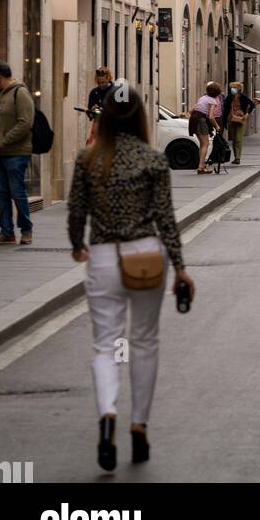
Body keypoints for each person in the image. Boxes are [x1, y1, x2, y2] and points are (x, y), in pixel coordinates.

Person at [67, 86, 194, 472]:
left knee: (105, 345)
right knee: (144, 342)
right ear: (140, 117)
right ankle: (139, 426)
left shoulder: (88, 158)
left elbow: (76, 211)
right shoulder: (154, 161)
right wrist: (180, 266)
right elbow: (165, 218)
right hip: (145, 257)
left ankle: (107, 413)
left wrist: (78, 245)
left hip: (103, 256)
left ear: (103, 117)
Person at [0, 61, 35, 246]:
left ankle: (26, 230)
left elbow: (25, 123)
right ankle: (6, 232)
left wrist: (4, 140)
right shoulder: (0, 94)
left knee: (17, 193)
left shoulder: (20, 93)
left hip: (15, 153)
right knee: (1, 193)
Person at [189, 82, 223, 174]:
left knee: (202, 144)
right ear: (217, 93)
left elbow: (192, 110)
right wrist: (217, 126)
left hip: (193, 120)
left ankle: (202, 165)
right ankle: (201, 167)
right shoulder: (212, 101)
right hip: (201, 121)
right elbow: (211, 117)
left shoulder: (202, 98)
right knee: (206, 144)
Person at [223, 81, 255, 165]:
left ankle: (238, 158)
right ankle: (235, 156)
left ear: (239, 88)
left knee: (238, 139)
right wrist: (224, 121)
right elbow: (225, 108)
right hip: (231, 119)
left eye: (234, 88)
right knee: (234, 139)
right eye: (231, 88)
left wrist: (247, 114)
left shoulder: (243, 97)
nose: (232, 89)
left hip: (241, 119)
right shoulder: (229, 97)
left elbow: (252, 105)